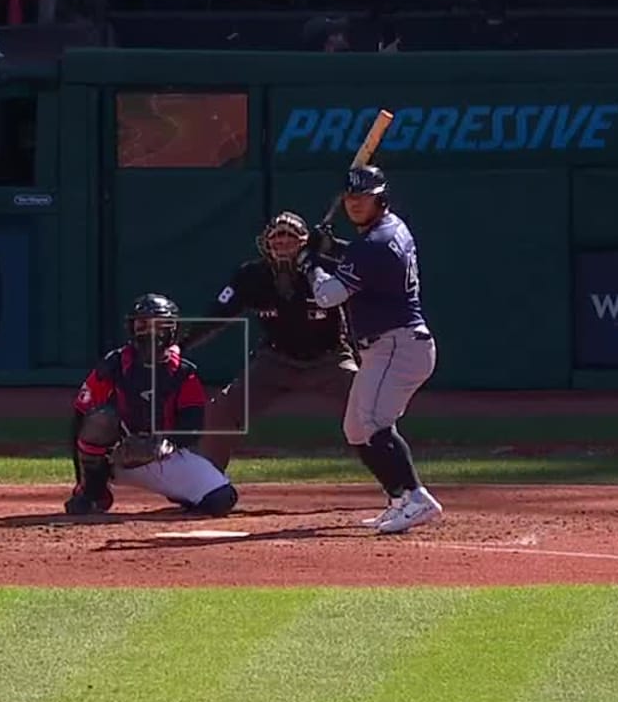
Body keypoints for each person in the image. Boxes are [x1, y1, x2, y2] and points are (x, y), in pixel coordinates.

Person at [306, 165, 442, 534]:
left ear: (380, 199)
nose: (354, 204)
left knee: (375, 425)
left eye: (363, 198)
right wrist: (331, 249)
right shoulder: (392, 228)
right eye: (350, 198)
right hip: (392, 346)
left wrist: (311, 264)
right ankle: (398, 499)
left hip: (397, 344)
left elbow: (328, 296)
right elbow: (361, 260)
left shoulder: (374, 244)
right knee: (356, 428)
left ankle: (418, 498)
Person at [181, 212, 360, 475]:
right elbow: (218, 315)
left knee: (369, 408)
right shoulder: (251, 276)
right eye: (276, 238)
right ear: (265, 244)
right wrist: (181, 345)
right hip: (276, 360)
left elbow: (370, 262)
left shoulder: (326, 270)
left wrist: (335, 247)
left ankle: (398, 483)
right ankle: (209, 484)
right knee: (221, 411)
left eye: (290, 237)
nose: (282, 242)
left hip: (331, 358)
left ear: (305, 242)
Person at [65, 293, 239, 517]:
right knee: (100, 420)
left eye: (160, 325)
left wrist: (167, 443)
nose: (151, 332)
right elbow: (80, 418)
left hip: (160, 456)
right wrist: (84, 481)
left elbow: (193, 425)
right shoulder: (114, 365)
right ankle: (94, 494)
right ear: (131, 328)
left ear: (173, 330)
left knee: (222, 499)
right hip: (113, 457)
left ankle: (182, 494)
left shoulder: (183, 372)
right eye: (143, 325)